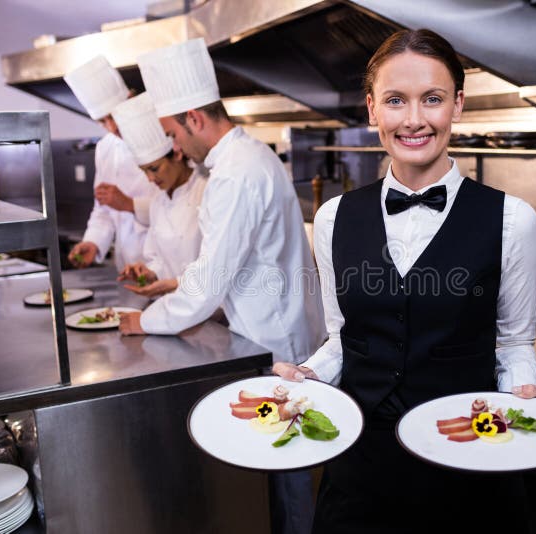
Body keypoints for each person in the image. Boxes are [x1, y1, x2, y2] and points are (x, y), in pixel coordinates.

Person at [273, 29, 536, 533]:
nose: (414, 119)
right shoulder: (333, 217)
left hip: (467, 463)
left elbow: (513, 344)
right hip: (361, 470)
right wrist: (309, 375)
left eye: (433, 99)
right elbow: (342, 338)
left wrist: (520, 397)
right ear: (373, 109)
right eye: (396, 100)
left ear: (458, 104)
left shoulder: (514, 220)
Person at [120, 38, 326, 534]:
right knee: (283, 463)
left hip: (274, 337)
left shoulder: (235, 175)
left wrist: (145, 320)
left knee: (289, 467)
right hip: (275, 327)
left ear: (194, 118)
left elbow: (210, 280)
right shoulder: (247, 158)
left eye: (172, 133)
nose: (174, 147)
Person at [63, 55, 158, 272]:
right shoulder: (105, 148)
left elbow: (183, 208)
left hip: (168, 267)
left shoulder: (164, 138)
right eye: (103, 121)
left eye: (114, 116)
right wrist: (93, 242)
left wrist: (130, 205)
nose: (112, 128)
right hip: (128, 268)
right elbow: (104, 209)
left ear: (131, 99)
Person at [111, 92, 207, 299]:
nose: (150, 179)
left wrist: (175, 284)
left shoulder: (207, 191)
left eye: (154, 168)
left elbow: (217, 267)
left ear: (177, 154)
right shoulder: (158, 201)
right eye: (144, 171)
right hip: (173, 306)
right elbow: (158, 259)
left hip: (210, 308)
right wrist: (150, 273)